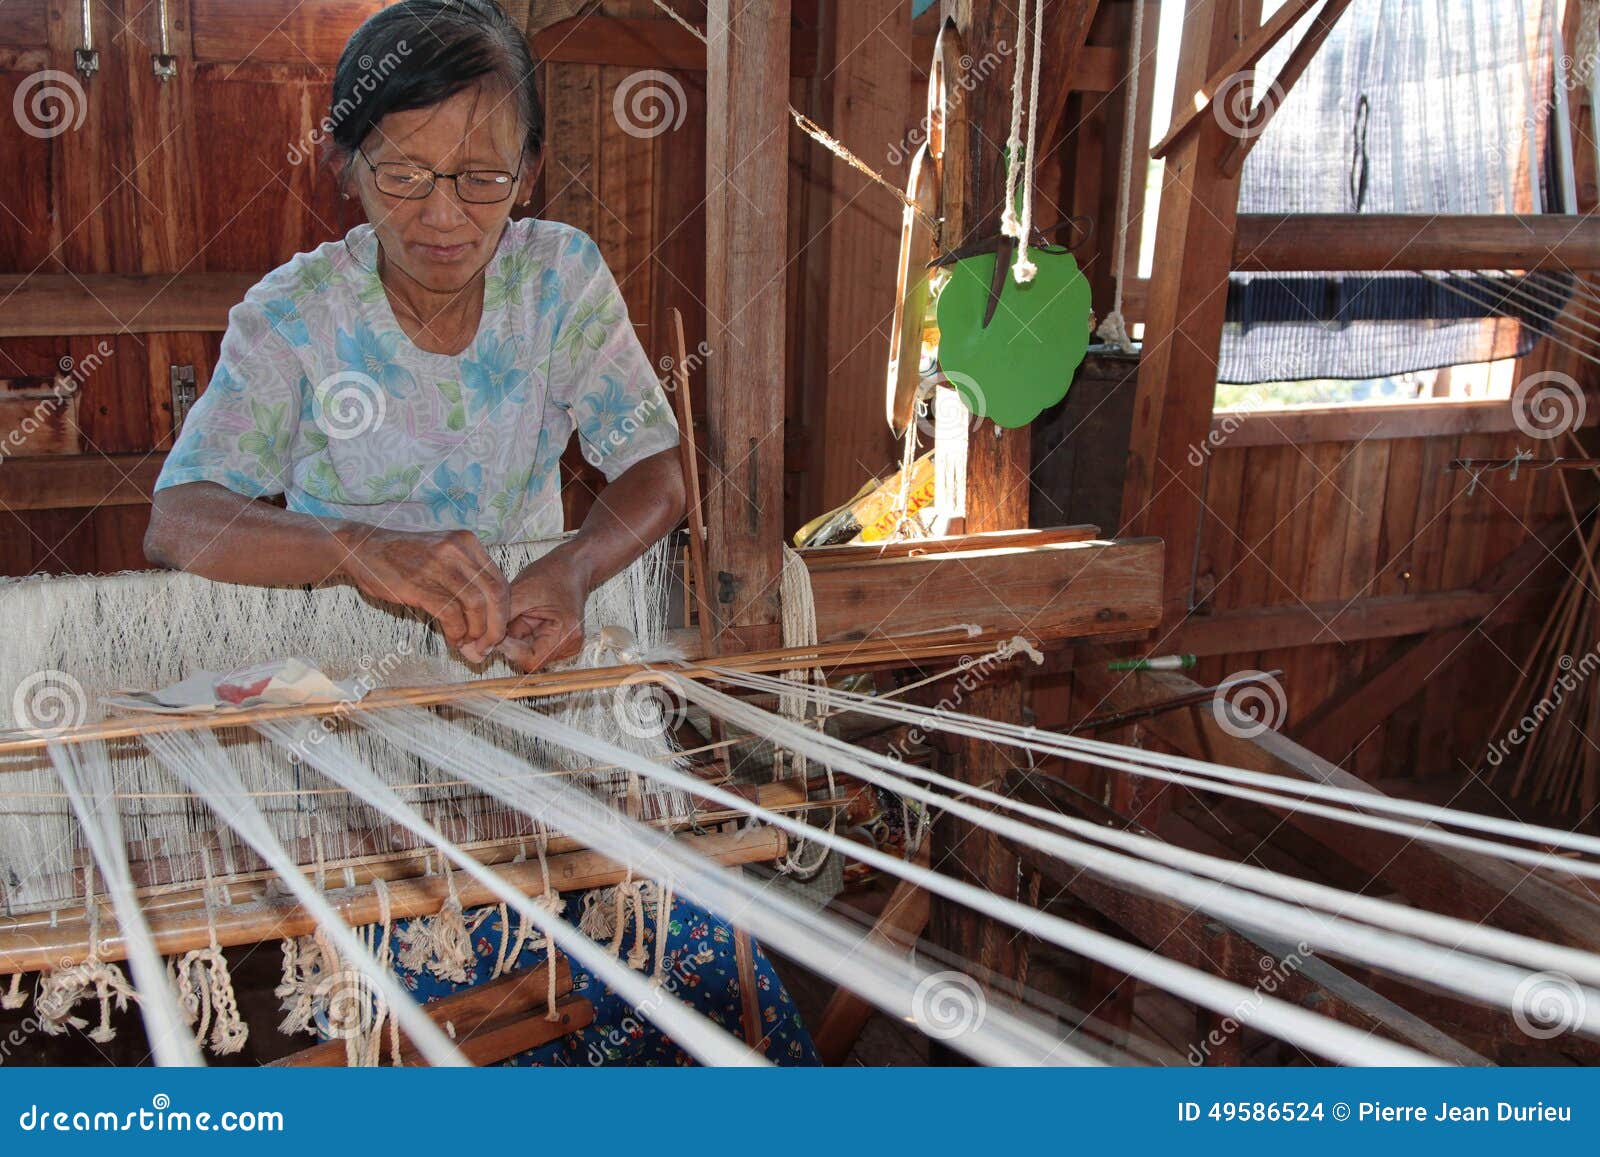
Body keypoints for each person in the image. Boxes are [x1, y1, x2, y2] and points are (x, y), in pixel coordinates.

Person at [145, 0, 816, 1066]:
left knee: (711, 986)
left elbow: (654, 463)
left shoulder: (558, 281)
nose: (442, 214)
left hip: (536, 714)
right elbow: (179, 519)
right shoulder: (296, 316)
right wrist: (349, 547)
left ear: (532, 171)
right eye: (402, 174)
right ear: (346, 170)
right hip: (365, 759)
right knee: (476, 1027)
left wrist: (575, 564)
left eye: (481, 177)